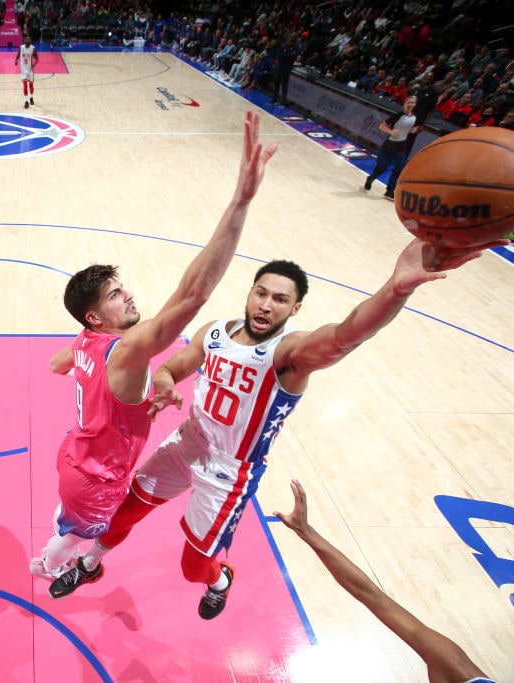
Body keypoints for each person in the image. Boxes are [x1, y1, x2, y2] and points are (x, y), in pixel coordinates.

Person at [49, 235, 507, 617]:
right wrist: (166, 384)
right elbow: (173, 367)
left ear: (296, 308)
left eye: (281, 299)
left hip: (229, 471)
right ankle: (90, 564)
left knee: (194, 569)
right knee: (124, 510)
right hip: (189, 443)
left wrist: (396, 289)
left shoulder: (292, 354)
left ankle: (221, 578)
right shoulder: (216, 332)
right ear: (250, 293)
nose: (267, 305)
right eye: (261, 293)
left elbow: (348, 334)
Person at [29, 111, 278, 584]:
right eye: (115, 296)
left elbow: (58, 364)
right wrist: (240, 203)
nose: (129, 296)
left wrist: (115, 395)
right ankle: (47, 563)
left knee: (78, 513)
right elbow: (193, 295)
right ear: (96, 317)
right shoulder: (125, 350)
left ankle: (66, 526)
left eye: (123, 288)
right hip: (97, 477)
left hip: (75, 456)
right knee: (79, 532)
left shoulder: (87, 339)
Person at [275, 480, 495, 683]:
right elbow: (370, 594)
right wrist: (307, 532)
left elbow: (371, 595)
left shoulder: (453, 662)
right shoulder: (454, 667)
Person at [364, 95, 420, 200]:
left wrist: (413, 130)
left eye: (412, 103)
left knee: (399, 169)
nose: (410, 104)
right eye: (409, 102)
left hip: (401, 146)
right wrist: (390, 131)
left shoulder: (414, 117)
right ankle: (370, 179)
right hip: (389, 145)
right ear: (405, 103)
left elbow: (408, 129)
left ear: (415, 104)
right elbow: (381, 126)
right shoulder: (398, 115)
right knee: (382, 167)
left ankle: (390, 190)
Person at [15, 34, 39, 108]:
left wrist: (33, 64)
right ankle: (26, 101)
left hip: (30, 69)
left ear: (30, 41)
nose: (27, 40)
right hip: (23, 69)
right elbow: (18, 55)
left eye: (29, 39)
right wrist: (16, 60)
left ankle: (31, 97)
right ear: (24, 40)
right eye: (26, 39)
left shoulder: (33, 49)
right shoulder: (21, 47)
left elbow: (37, 59)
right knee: (25, 85)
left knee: (31, 85)